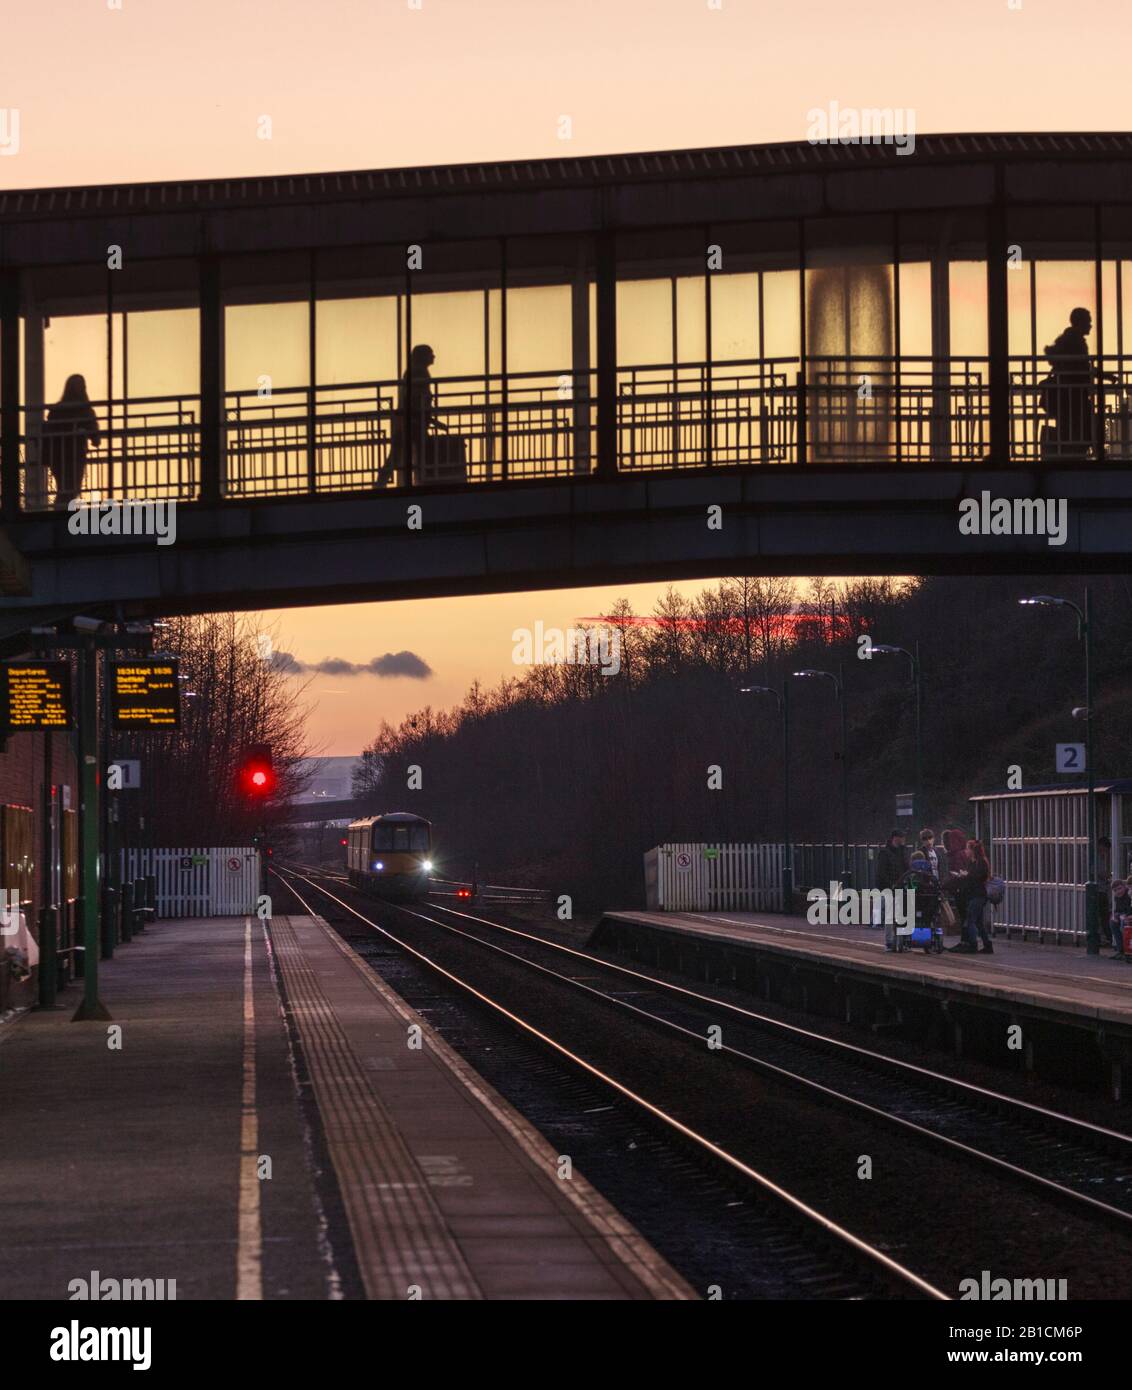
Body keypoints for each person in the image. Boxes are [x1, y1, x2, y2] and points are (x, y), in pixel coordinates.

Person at [1042, 308, 1097, 458]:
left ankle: (1070, 455)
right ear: (1080, 323)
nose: (1091, 325)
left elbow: (1080, 365)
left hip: (1068, 396)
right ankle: (1075, 456)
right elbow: (1082, 366)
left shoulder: (1069, 340)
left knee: (1071, 431)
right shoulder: (1075, 341)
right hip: (1073, 397)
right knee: (1078, 429)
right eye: (1088, 322)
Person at [381, 344, 437, 487]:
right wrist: (423, 416)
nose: (433, 356)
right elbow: (417, 397)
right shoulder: (419, 372)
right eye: (430, 353)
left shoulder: (414, 371)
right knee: (421, 452)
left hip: (410, 420)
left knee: (397, 453)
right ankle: (421, 483)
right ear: (422, 357)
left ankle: (380, 483)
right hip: (413, 421)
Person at [42, 374, 100, 509]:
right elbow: (96, 439)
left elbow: (50, 429)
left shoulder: (57, 409)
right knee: (71, 490)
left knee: (64, 490)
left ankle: (60, 516)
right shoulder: (85, 410)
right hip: (74, 455)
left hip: (58, 456)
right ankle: (63, 518)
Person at [949, 838, 993, 955]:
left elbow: (978, 877)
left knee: (970, 920)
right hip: (975, 895)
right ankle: (987, 945)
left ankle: (973, 945)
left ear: (972, 850)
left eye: (967, 849)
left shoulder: (980, 862)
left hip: (978, 895)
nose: (965, 851)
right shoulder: (974, 862)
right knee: (979, 922)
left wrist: (966, 875)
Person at [874, 829, 909, 951]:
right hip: (888, 888)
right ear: (895, 838)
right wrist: (890, 884)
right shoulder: (885, 853)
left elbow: (906, 868)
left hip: (900, 887)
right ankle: (889, 942)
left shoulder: (901, 851)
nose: (904, 840)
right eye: (902, 837)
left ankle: (901, 942)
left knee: (901, 915)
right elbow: (881, 872)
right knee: (890, 915)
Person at [1108, 878, 1130, 959]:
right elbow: (1117, 909)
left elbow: (1129, 909)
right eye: (1116, 890)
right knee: (1113, 923)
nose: (1118, 891)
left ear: (1124, 887)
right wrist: (1115, 916)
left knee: (1123, 924)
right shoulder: (1117, 897)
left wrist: (1125, 916)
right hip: (1122, 915)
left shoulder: (1129, 895)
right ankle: (1120, 950)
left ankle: (1127, 950)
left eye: (1120, 888)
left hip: (1128, 915)